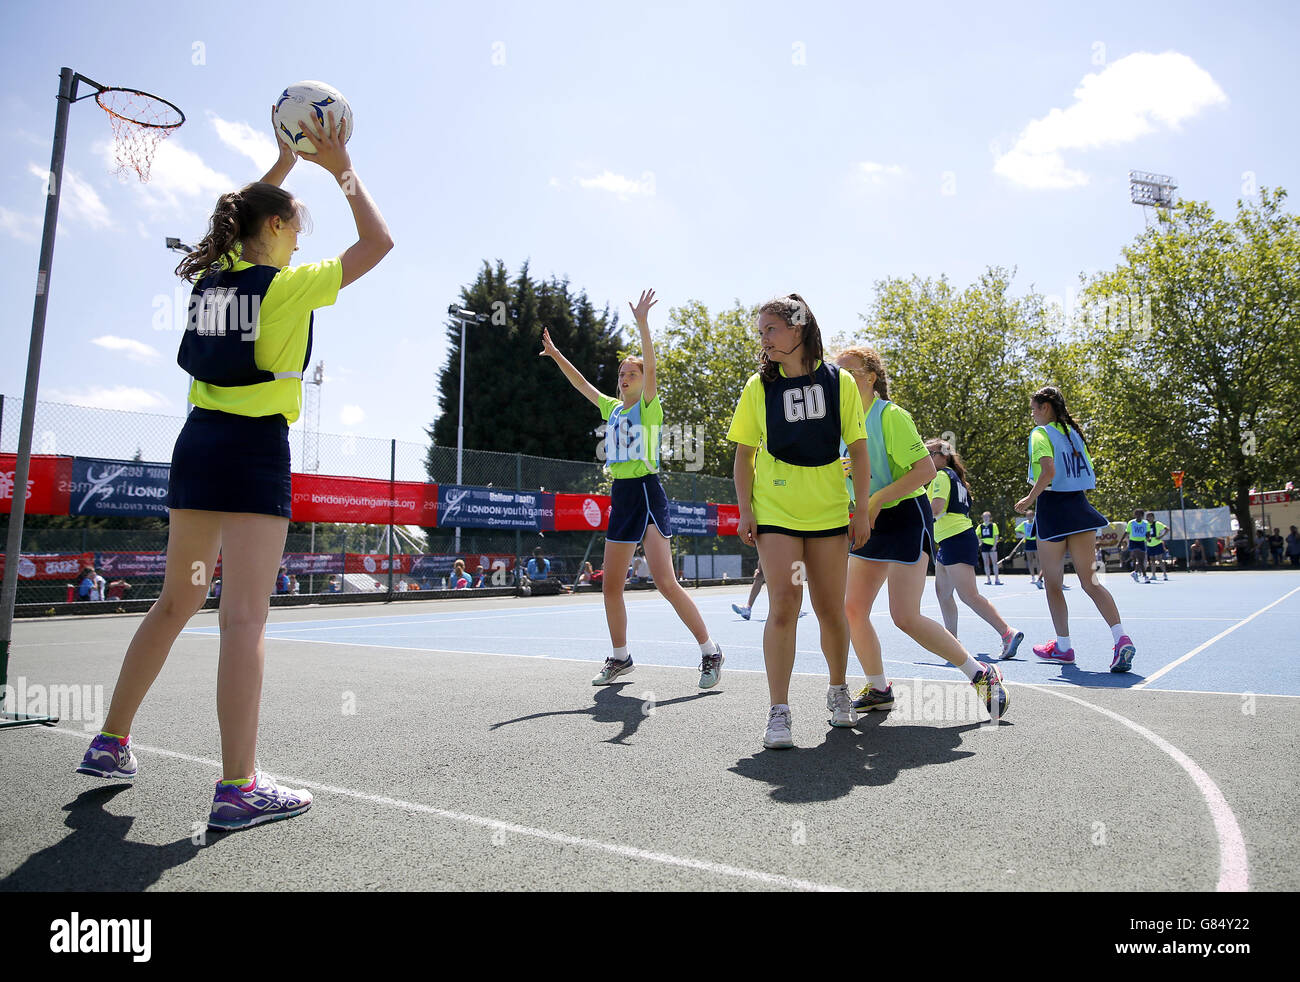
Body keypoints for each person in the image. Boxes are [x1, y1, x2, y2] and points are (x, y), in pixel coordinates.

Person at [77, 105, 392, 833]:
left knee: (177, 601)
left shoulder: (215, 277)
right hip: (251, 455)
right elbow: (380, 241)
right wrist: (338, 165)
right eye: (295, 223)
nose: (301, 234)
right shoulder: (286, 288)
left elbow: (238, 213)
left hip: (198, 449)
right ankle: (237, 787)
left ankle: (110, 741)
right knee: (244, 619)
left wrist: (285, 161)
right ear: (278, 228)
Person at [542, 287, 724, 689]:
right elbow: (583, 385)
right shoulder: (613, 408)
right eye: (621, 374)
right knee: (610, 585)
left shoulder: (648, 407)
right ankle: (620, 657)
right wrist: (557, 356)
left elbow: (653, 367)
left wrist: (642, 323)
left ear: (643, 381)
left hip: (645, 491)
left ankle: (710, 650)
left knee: (665, 581)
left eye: (632, 374)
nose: (624, 379)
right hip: (622, 496)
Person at [727, 295, 870, 748]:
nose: (763, 338)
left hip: (828, 512)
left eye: (771, 329)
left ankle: (837, 689)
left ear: (798, 330)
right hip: (776, 513)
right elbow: (744, 454)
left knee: (831, 609)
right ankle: (779, 711)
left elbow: (859, 450)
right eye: (761, 331)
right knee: (784, 604)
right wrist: (746, 509)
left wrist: (861, 509)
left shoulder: (839, 382)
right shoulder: (757, 387)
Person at [836, 347, 1009, 719]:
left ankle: (981, 674)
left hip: (904, 516)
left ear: (869, 377)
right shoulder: (840, 424)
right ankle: (878, 687)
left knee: (905, 616)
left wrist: (876, 499)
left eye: (846, 371)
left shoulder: (890, 416)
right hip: (869, 516)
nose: (839, 379)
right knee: (852, 608)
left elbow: (924, 472)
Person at [1015, 386, 1136, 672]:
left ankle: (1064, 647)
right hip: (1080, 509)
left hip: (1054, 512)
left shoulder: (1041, 434)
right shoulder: (1073, 435)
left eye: (1034, 408)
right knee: (1091, 582)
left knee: (1054, 585)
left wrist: (1030, 498)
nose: (1032, 414)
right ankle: (1121, 638)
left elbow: (1048, 471)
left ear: (1045, 407)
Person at [925, 438, 1025, 661]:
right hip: (952, 538)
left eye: (929, 453)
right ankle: (952, 641)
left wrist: (914, 518)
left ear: (943, 457)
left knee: (969, 595)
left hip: (955, 537)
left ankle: (1007, 633)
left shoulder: (941, 476)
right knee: (943, 593)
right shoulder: (955, 478)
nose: (925, 458)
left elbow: (937, 507)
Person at [1017, 508, 1042, 587]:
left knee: (1038, 560)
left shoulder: (1036, 522)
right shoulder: (1024, 523)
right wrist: (1024, 534)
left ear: (1033, 516)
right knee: (1030, 560)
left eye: (1031, 515)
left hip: (1035, 542)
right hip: (1028, 542)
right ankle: (1032, 577)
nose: (1029, 517)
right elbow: (1017, 529)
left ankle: (1039, 577)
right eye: (1028, 516)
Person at [975, 512, 1002, 585]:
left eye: (987, 517)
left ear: (990, 518)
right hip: (984, 545)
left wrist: (994, 545)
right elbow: (976, 535)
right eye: (984, 517)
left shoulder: (993, 525)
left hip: (992, 545)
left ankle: (997, 579)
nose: (986, 518)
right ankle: (988, 579)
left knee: (994, 562)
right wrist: (979, 540)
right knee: (986, 563)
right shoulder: (980, 526)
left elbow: (996, 536)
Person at [1126, 509, 1151, 582]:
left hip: (1141, 542)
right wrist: (1121, 542)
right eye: (1137, 515)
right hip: (1133, 542)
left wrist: (1149, 538)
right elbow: (1127, 532)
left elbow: (1147, 533)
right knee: (1139, 559)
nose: (1138, 516)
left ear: (1142, 516)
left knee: (1142, 560)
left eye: (1140, 515)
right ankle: (1145, 576)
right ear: (1135, 515)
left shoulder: (1146, 523)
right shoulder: (1131, 523)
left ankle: (1135, 572)